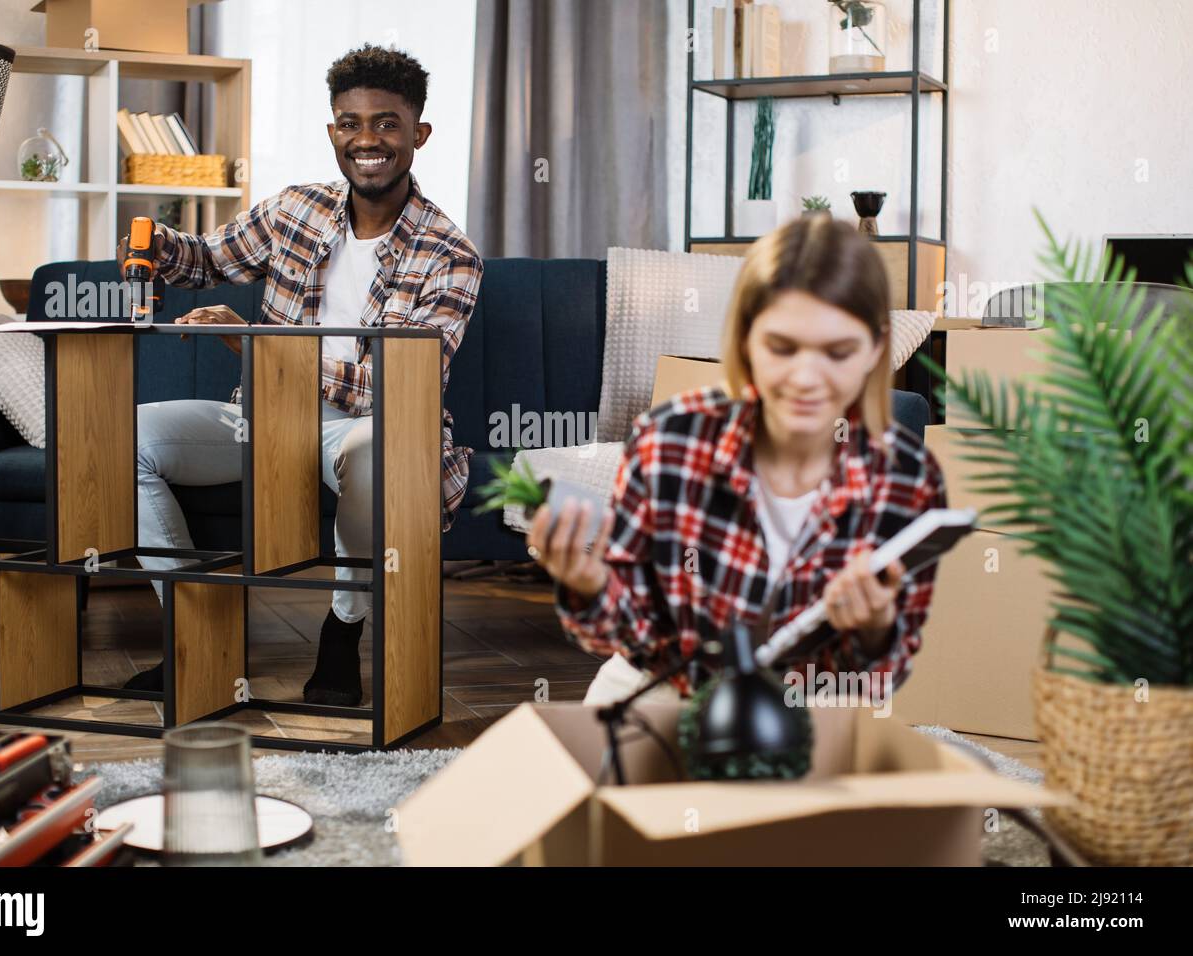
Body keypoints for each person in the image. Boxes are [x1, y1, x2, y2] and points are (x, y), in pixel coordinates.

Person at [121, 45, 483, 706]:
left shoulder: (451, 254)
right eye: (350, 122)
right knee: (127, 438)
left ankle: (342, 636)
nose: (366, 139)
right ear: (332, 132)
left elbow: (400, 383)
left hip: (370, 429)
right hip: (262, 414)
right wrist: (158, 247)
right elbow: (207, 259)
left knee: (379, 450)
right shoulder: (294, 210)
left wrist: (257, 344)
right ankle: (196, 638)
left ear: (418, 135)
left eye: (386, 123)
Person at [527, 216, 947, 704]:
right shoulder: (670, 442)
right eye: (782, 347)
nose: (806, 378)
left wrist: (875, 628)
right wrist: (592, 585)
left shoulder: (906, 477)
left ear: (876, 347)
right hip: (665, 682)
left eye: (837, 352)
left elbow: (885, 674)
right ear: (746, 340)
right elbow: (630, 633)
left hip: (806, 696)